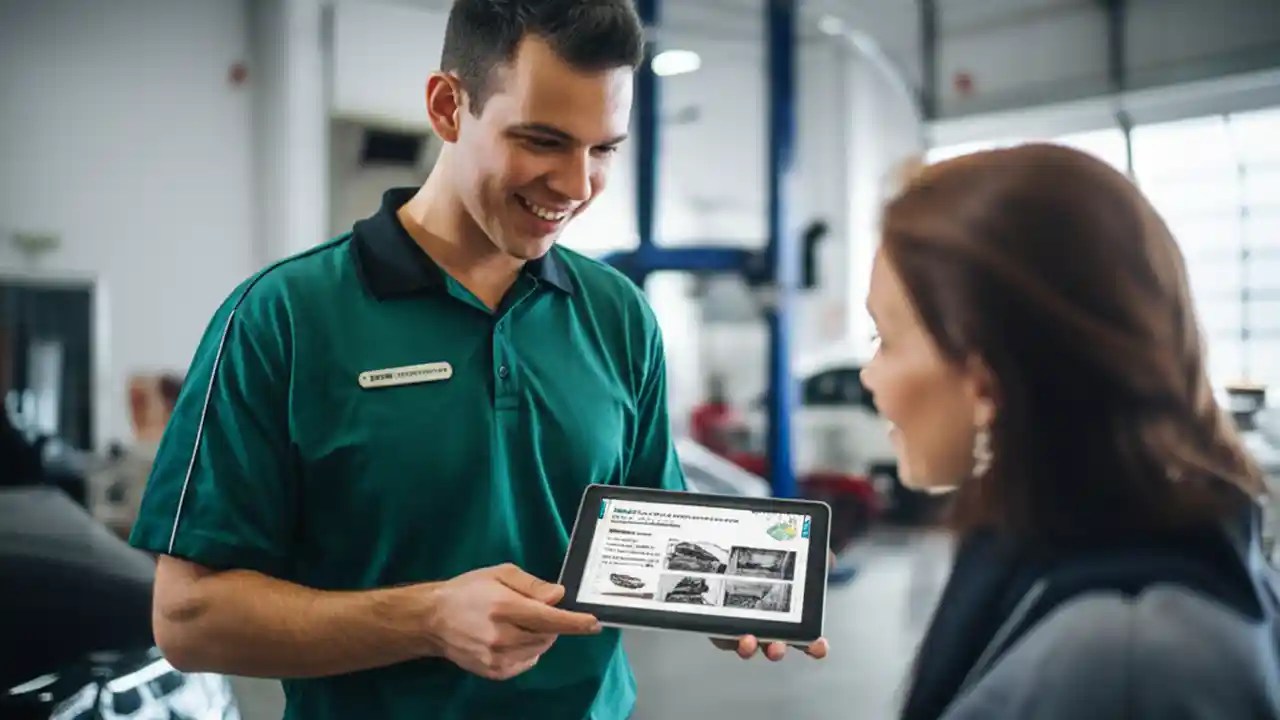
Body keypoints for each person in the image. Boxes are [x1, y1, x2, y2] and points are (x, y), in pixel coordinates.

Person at [128, 2, 821, 719]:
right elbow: (188, 619)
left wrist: (725, 596)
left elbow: (646, 548)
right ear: (447, 106)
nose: (577, 186)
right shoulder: (283, 320)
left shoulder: (619, 317)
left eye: (604, 149)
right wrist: (426, 619)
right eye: (543, 140)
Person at [861, 143, 1280, 719]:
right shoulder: (1050, 543)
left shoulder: (1124, 659)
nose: (869, 375)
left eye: (885, 339)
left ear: (985, 385)